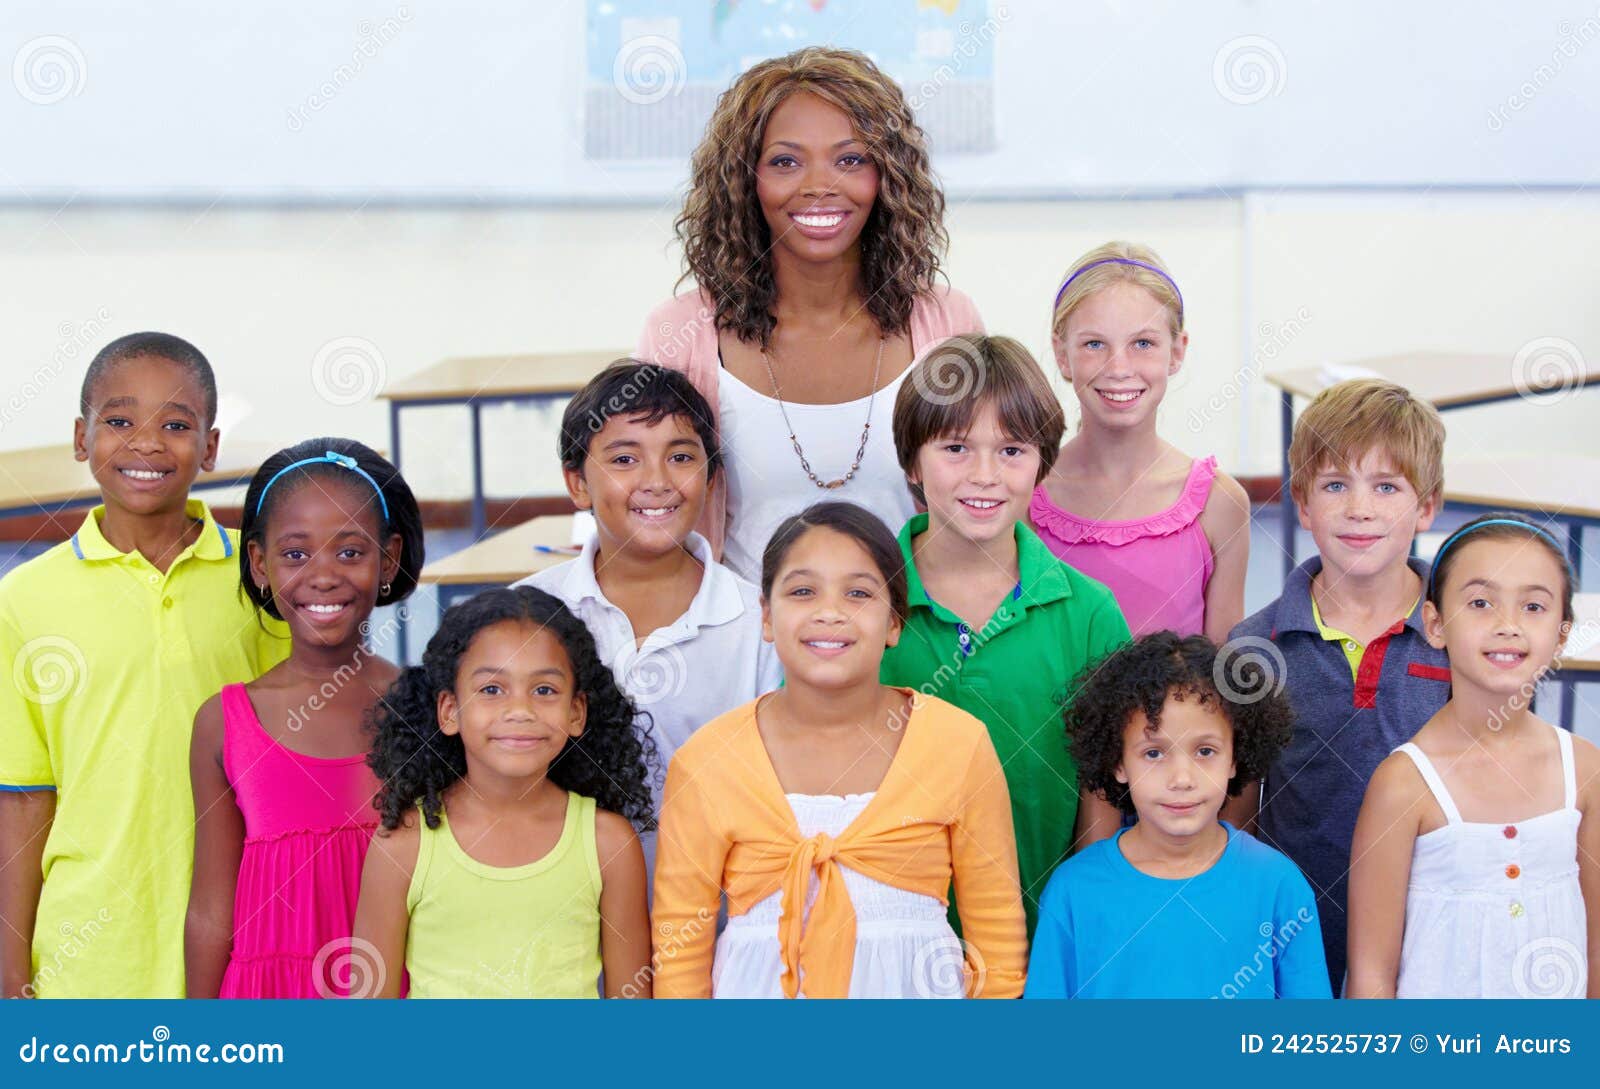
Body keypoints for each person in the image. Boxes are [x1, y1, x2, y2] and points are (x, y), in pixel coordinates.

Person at [0, 332, 289, 998]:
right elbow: (22, 797)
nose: (147, 442)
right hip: (91, 957)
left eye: (177, 424)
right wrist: (14, 970)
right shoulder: (24, 599)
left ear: (210, 447)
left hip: (243, 942)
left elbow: (300, 752)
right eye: (120, 421)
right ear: (82, 437)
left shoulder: (264, 573)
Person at [651, 503, 1026, 998]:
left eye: (859, 593)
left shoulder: (958, 744)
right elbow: (679, 951)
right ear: (766, 616)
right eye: (803, 591)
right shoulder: (707, 760)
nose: (830, 612)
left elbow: (996, 935)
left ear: (895, 623)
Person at [636, 46, 982, 581]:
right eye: (785, 161)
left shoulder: (947, 323)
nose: (820, 185)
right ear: (744, 181)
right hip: (742, 651)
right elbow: (648, 513)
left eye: (850, 159)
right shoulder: (680, 334)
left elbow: (988, 499)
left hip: (910, 651)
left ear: (887, 176)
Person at [881, 334, 1131, 929]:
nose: (985, 475)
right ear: (913, 461)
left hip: (1040, 941)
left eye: (1013, 450)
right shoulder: (860, 602)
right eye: (957, 448)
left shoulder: (1091, 614)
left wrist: (1078, 926)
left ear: (1042, 462)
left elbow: (1105, 787)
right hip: (883, 941)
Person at [1223, 378, 1450, 993]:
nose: (1360, 509)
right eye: (1334, 485)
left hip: (1435, 936)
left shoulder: (1461, 635)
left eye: (1386, 487)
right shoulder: (1253, 647)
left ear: (1426, 506)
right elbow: (1236, 819)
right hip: (1298, 943)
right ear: (1301, 502)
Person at [516, 361, 780, 877]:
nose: (657, 481)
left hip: (721, 929)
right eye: (624, 459)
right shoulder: (524, 615)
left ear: (711, 475)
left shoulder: (761, 624)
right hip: (564, 933)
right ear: (578, 484)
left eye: (681, 457)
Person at [185, 439, 424, 998]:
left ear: (387, 559)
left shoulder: (428, 707)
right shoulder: (223, 723)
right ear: (260, 565)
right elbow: (210, 909)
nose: (323, 576)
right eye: (296, 554)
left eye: (350, 552)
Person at [352, 587, 654, 998]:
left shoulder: (609, 843)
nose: (520, 710)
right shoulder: (405, 842)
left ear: (576, 712)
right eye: (492, 690)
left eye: (544, 690)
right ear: (449, 711)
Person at [1347, 514, 1597, 998]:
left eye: (1533, 606)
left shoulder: (1586, 771)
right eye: (1481, 602)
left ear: (1562, 634)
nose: (1508, 626)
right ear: (1436, 623)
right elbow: (1371, 976)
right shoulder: (1402, 784)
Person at [1026, 632, 1327, 999]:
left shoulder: (1279, 885)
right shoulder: (1072, 890)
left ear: (1235, 757)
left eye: (1205, 751)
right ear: (1119, 762)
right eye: (1153, 753)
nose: (1182, 779)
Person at [1031, 241, 1250, 644]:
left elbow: (1224, 674)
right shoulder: (1025, 496)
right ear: (1062, 354)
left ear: (1177, 351)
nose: (1119, 368)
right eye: (1094, 344)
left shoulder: (1220, 504)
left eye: (1143, 344)